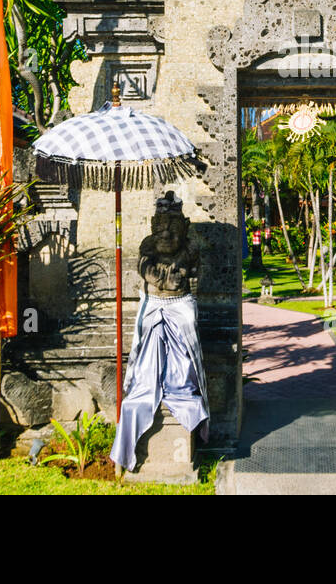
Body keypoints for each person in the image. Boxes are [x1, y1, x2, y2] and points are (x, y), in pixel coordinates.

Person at [110, 191, 209, 469]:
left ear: (185, 227)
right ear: (153, 227)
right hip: (153, 306)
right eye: (160, 228)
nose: (166, 234)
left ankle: (181, 388)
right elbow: (147, 269)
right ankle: (145, 388)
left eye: (173, 228)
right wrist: (160, 275)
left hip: (180, 308)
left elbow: (186, 277)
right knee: (146, 357)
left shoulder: (189, 248)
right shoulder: (148, 246)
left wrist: (175, 274)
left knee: (184, 355)